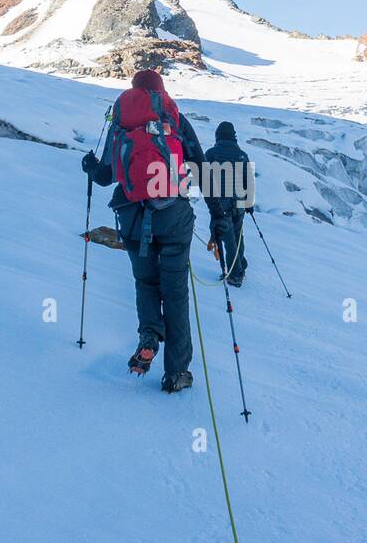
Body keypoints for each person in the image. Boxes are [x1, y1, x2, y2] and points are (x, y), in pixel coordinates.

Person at [81, 69, 206, 393]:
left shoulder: (123, 120)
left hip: (132, 215)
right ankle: (176, 373)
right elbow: (200, 165)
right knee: (175, 292)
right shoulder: (173, 116)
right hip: (173, 214)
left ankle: (149, 335)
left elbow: (106, 175)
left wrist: (90, 166)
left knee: (146, 282)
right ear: (161, 92)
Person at [203, 121, 253, 287]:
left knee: (228, 240)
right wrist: (249, 204)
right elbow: (248, 182)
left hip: (220, 205)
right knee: (238, 237)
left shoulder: (210, 154)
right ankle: (240, 266)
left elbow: (203, 180)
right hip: (239, 203)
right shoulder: (242, 155)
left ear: (218, 136)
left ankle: (235, 274)